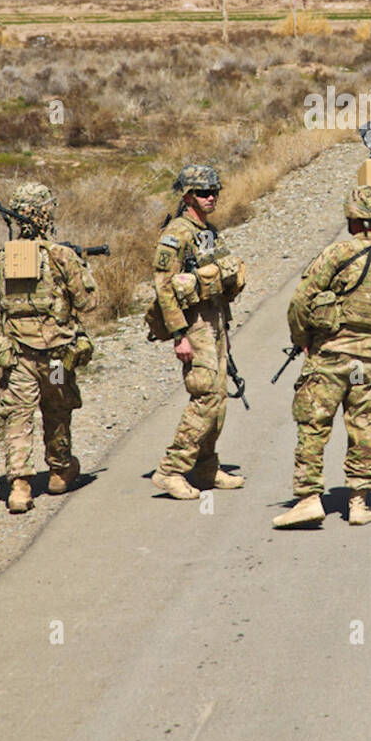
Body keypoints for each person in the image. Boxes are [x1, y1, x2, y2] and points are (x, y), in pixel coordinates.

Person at [273, 185, 371, 529]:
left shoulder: (336, 254)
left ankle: (309, 500)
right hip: (366, 364)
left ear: (352, 219)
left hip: (328, 359)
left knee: (313, 427)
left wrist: (303, 340)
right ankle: (358, 503)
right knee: (363, 428)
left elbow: (300, 302)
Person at [0, 183, 97, 514]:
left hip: (17, 360)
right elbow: (88, 302)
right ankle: (59, 471)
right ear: (47, 215)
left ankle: (20, 486)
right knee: (56, 408)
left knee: (19, 416)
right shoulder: (61, 257)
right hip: (55, 358)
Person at [151, 162, 246, 500]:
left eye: (214, 191)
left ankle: (206, 467)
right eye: (204, 193)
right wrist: (179, 335)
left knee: (218, 398)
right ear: (188, 195)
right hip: (194, 325)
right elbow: (163, 287)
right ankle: (171, 470)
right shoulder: (176, 234)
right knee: (206, 395)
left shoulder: (207, 230)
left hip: (216, 319)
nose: (211, 197)